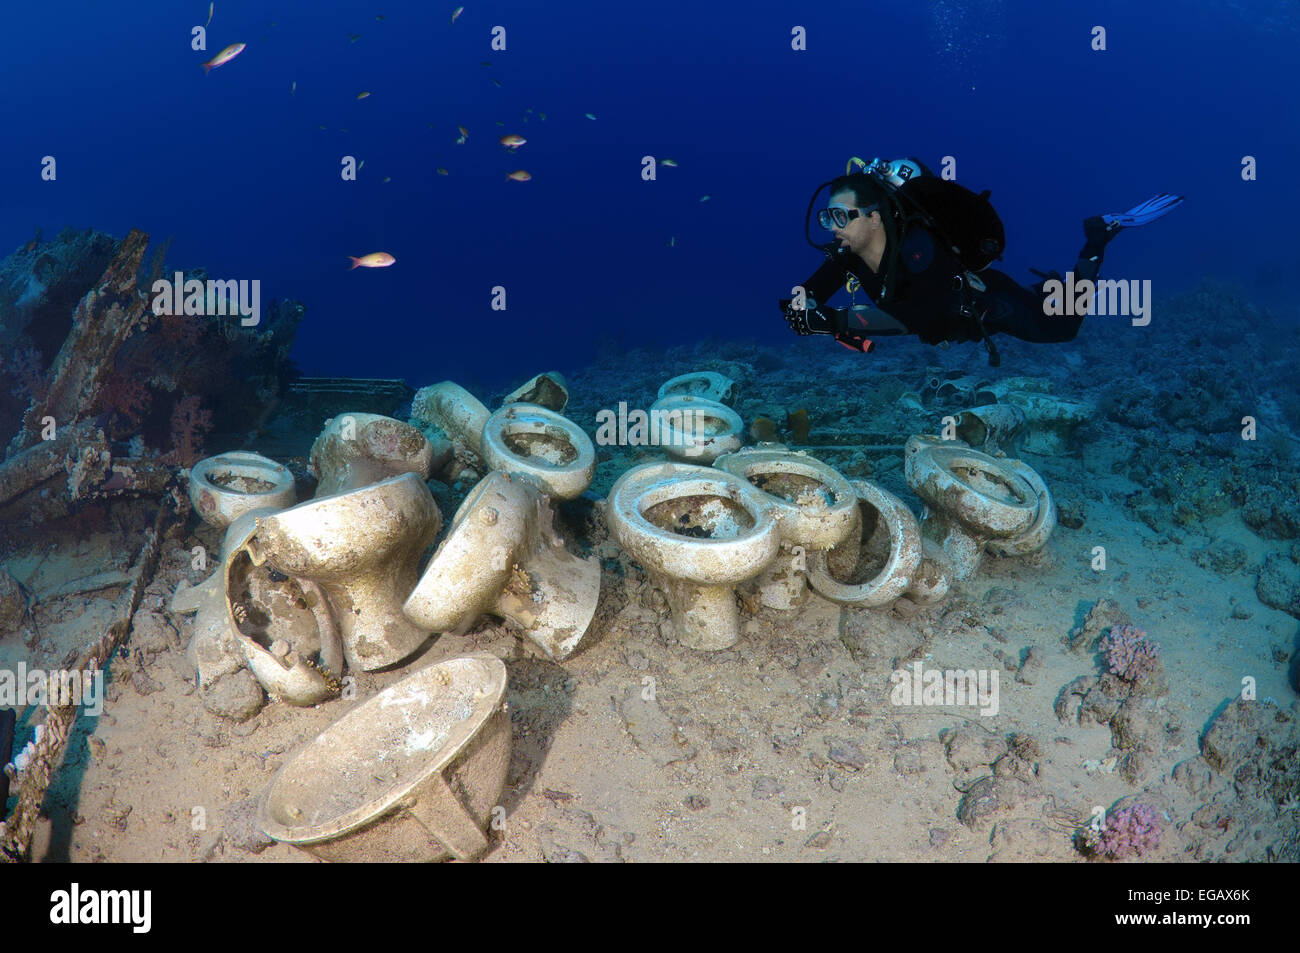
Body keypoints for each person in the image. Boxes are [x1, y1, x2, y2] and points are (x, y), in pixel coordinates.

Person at [781, 157, 1183, 364]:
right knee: (1048, 305)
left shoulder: (916, 248)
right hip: (959, 315)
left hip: (988, 306)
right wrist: (800, 306)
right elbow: (811, 290)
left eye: (840, 217)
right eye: (826, 217)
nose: (832, 228)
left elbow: (919, 317)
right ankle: (1047, 290)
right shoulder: (848, 255)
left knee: (1063, 328)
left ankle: (1096, 241)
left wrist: (832, 321)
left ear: (873, 217)